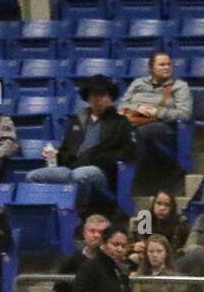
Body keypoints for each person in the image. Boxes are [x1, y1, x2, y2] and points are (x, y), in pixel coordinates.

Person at [27, 75, 134, 214]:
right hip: (70, 169)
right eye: (94, 95)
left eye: (102, 95)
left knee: (79, 175)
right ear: (87, 98)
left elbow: (128, 151)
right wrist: (55, 155)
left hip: (101, 171)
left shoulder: (120, 122)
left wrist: (96, 157)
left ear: (110, 98)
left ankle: (77, 215)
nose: (98, 99)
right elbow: (66, 150)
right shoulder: (76, 121)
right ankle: (47, 214)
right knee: (33, 176)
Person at [119, 51, 194, 196]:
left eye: (168, 64)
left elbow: (184, 113)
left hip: (165, 128)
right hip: (134, 121)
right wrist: (139, 109)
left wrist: (156, 112)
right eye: (162, 64)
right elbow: (122, 106)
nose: (167, 67)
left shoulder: (179, 86)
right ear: (151, 68)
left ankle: (134, 182)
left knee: (140, 133)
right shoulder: (138, 83)